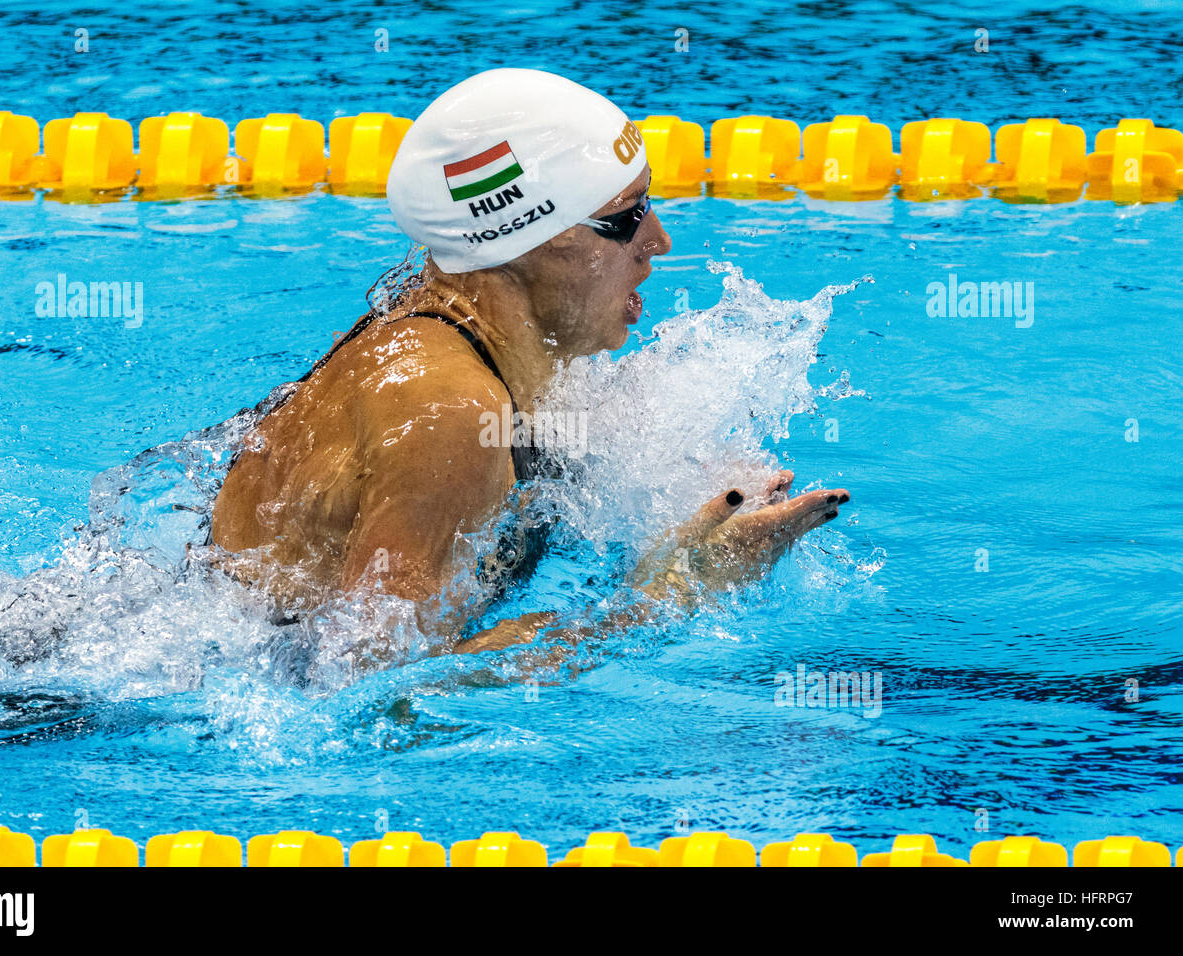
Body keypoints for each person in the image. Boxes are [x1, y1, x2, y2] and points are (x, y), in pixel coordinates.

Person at [209, 68, 849, 652]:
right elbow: (361, 690)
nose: (658, 240)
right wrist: (671, 596)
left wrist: (684, 489)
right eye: (625, 219)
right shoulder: (451, 412)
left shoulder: (468, 340)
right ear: (527, 244)